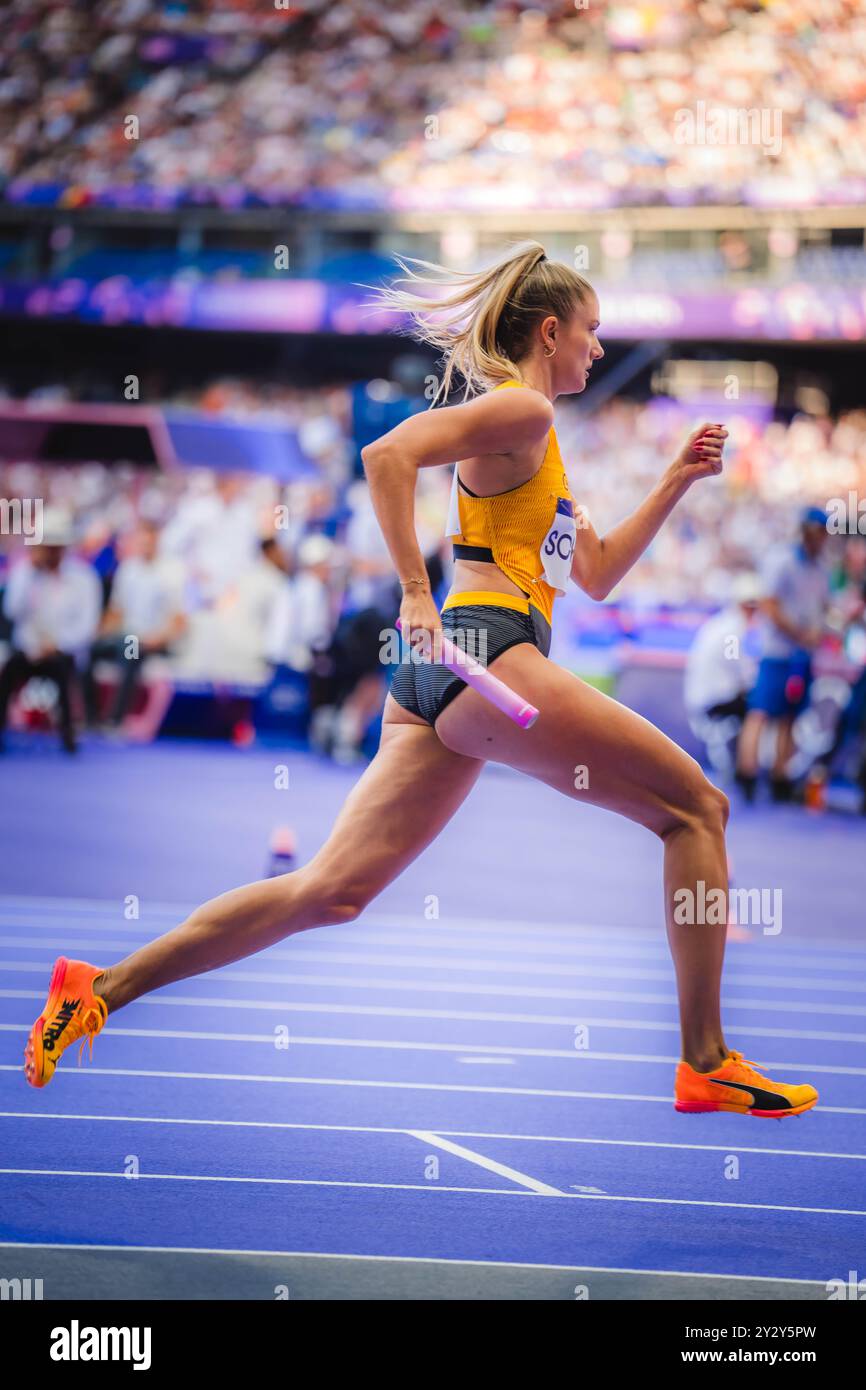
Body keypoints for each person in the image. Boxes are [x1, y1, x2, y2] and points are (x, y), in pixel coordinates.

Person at [24, 243, 818, 1120]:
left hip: (447, 680)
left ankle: (98, 984)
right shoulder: (519, 409)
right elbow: (387, 455)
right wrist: (414, 593)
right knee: (696, 809)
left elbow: (594, 574)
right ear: (549, 332)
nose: (599, 348)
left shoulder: (537, 444)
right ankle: (704, 1058)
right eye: (591, 331)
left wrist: (673, 481)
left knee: (329, 891)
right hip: (484, 650)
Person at [736, 507, 831, 803]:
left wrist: (816, 632)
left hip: (801, 656)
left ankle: (779, 777)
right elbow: (770, 604)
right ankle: (747, 774)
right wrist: (801, 634)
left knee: (789, 716)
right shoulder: (782, 560)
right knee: (760, 712)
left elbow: (821, 608)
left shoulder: (821, 569)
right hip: (777, 652)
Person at [0, 509, 101, 753]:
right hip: (29, 650)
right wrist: (29, 573)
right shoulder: (25, 573)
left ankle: (69, 735)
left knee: (63, 671)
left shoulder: (84, 578)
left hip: (63, 651)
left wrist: (56, 645)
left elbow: (86, 627)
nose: (50, 551)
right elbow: (12, 611)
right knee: (8, 671)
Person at [84, 520, 186, 730]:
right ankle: (90, 718)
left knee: (130, 652)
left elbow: (179, 619)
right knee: (85, 652)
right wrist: (97, 633)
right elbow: (116, 612)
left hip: (153, 641)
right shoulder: (128, 569)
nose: (145, 546)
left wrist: (156, 638)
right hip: (125, 638)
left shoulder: (173, 571)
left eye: (150, 541)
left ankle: (115, 721)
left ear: (157, 541)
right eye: (142, 541)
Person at [684, 574, 761, 759]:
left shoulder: (721, 624)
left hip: (704, 697)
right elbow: (738, 668)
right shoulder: (732, 630)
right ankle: (747, 768)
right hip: (713, 700)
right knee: (759, 710)